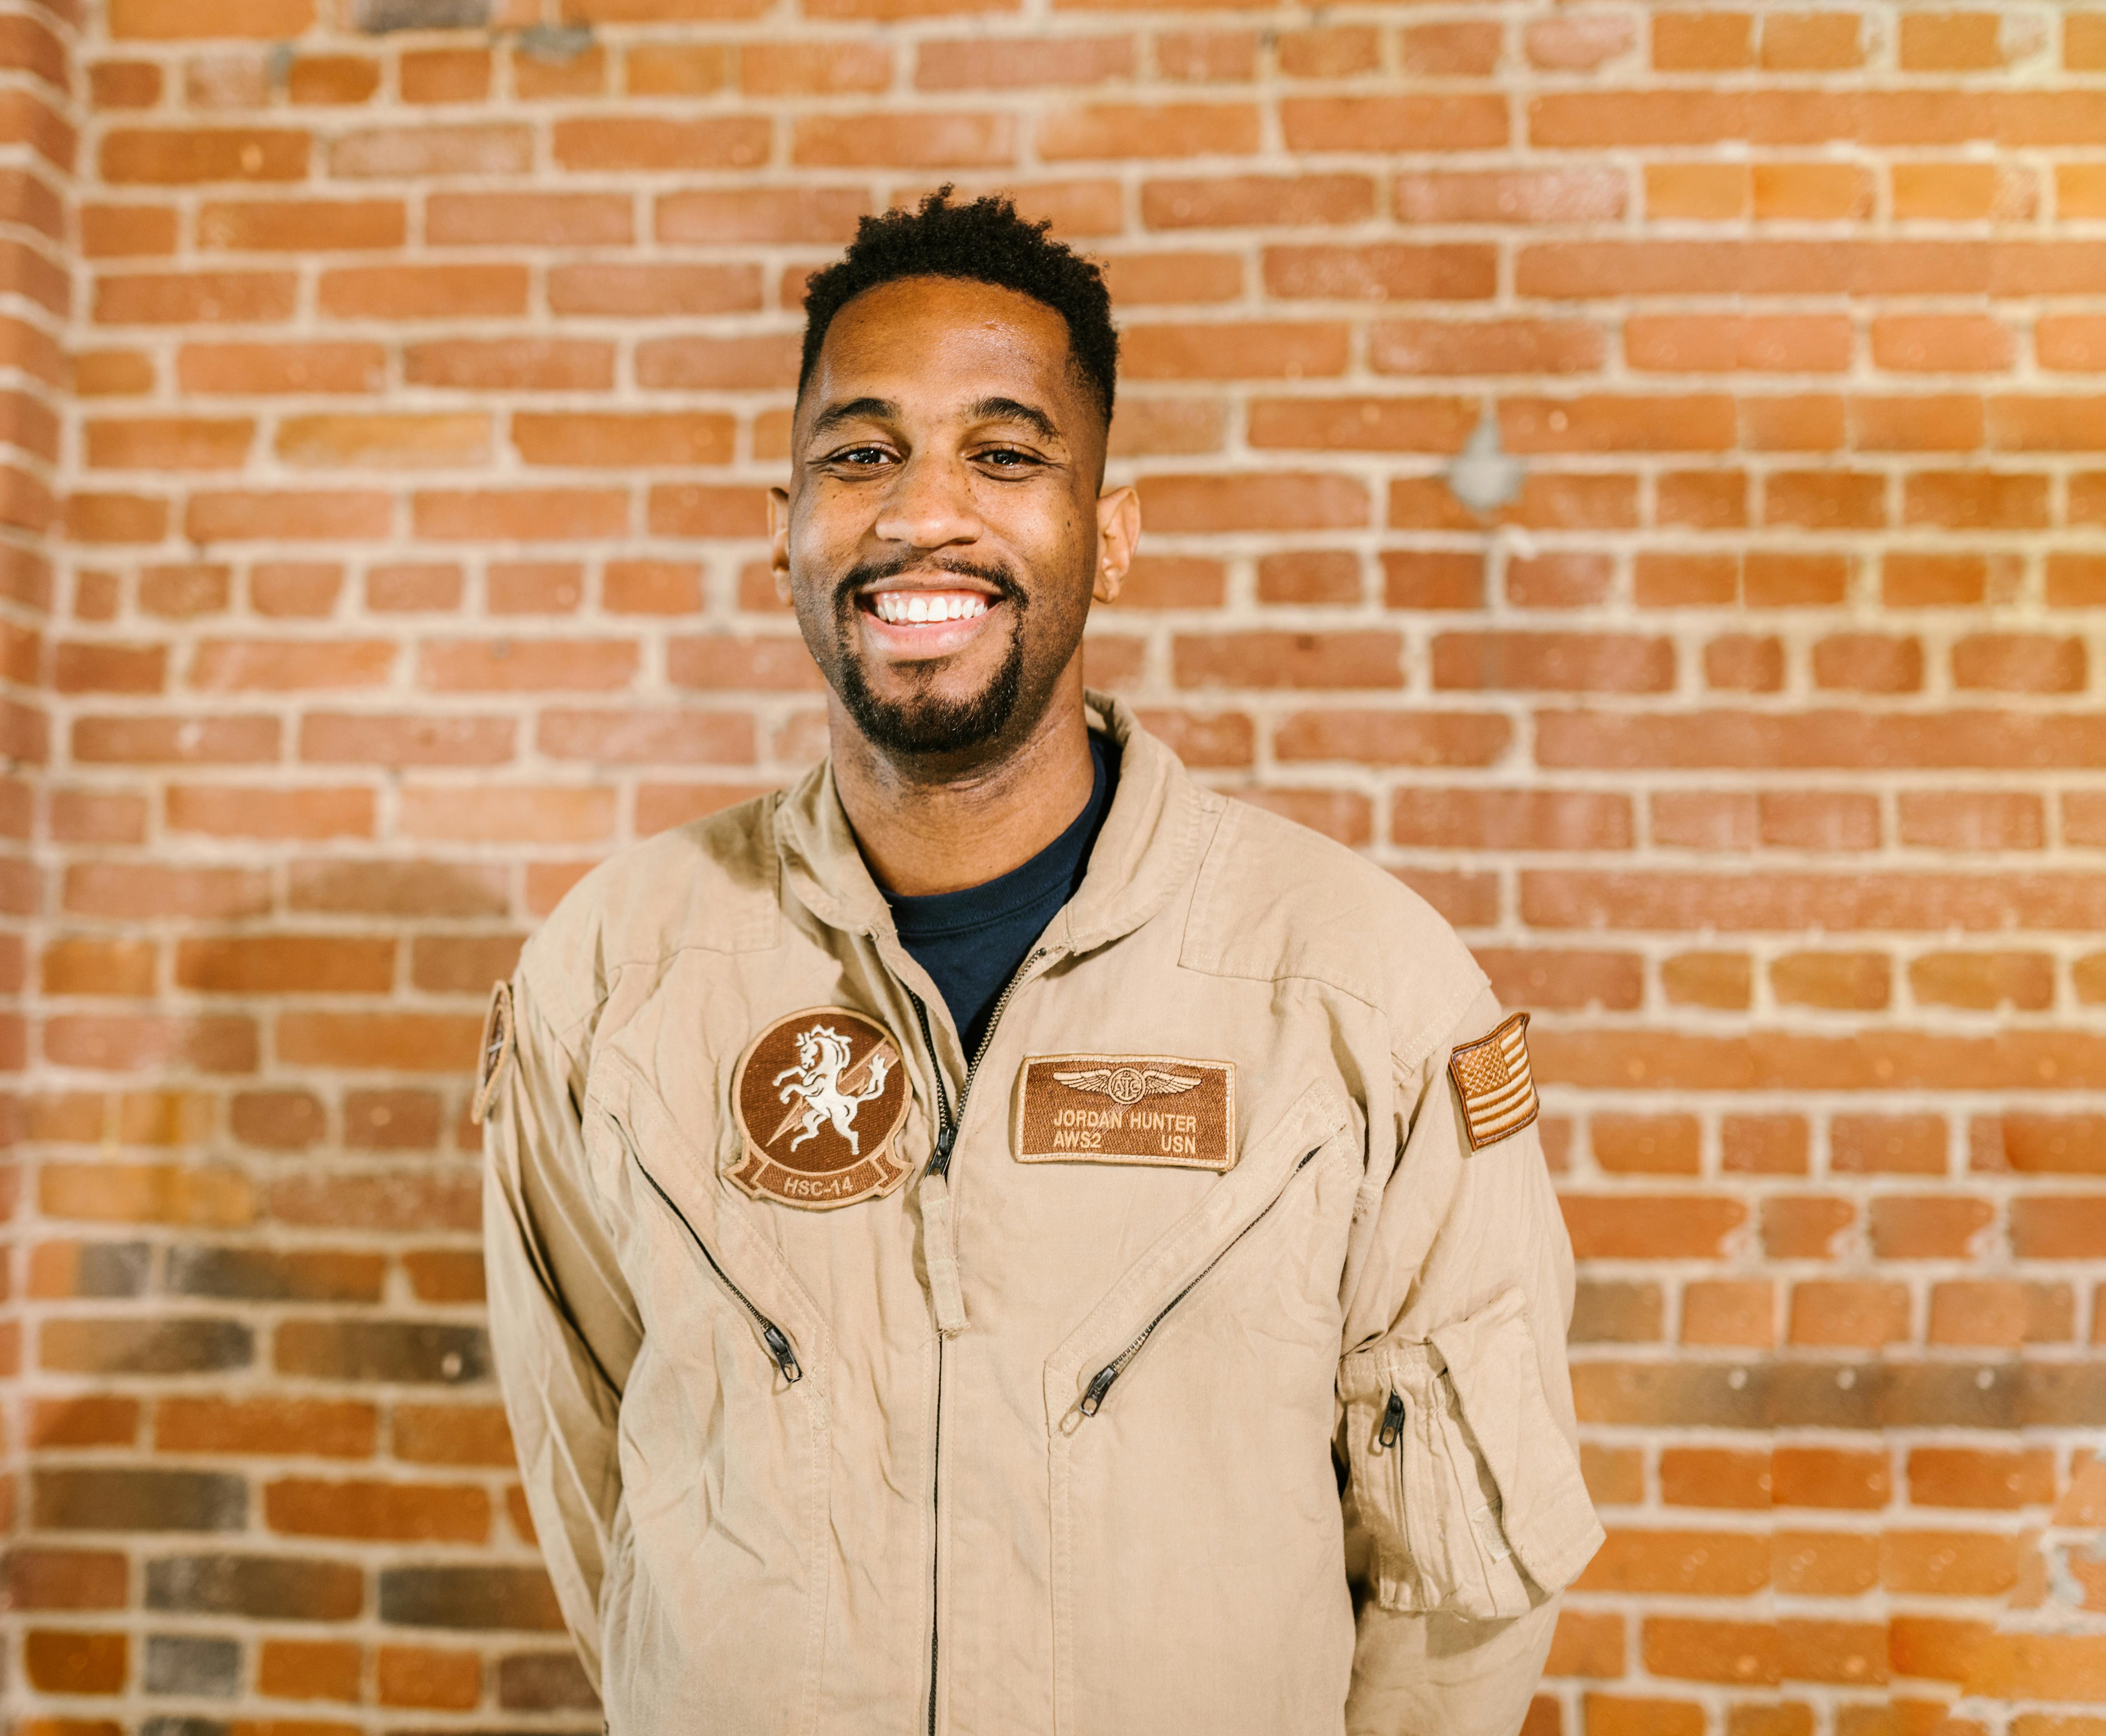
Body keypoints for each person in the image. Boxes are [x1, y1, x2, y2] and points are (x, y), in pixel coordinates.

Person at [476, 189, 1601, 1736]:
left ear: (1111, 533)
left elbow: (1456, 1601)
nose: (923, 513)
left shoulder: (1363, 991)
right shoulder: (612, 977)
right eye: (860, 454)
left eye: (1004, 456)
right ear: (786, 526)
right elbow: (601, 1496)